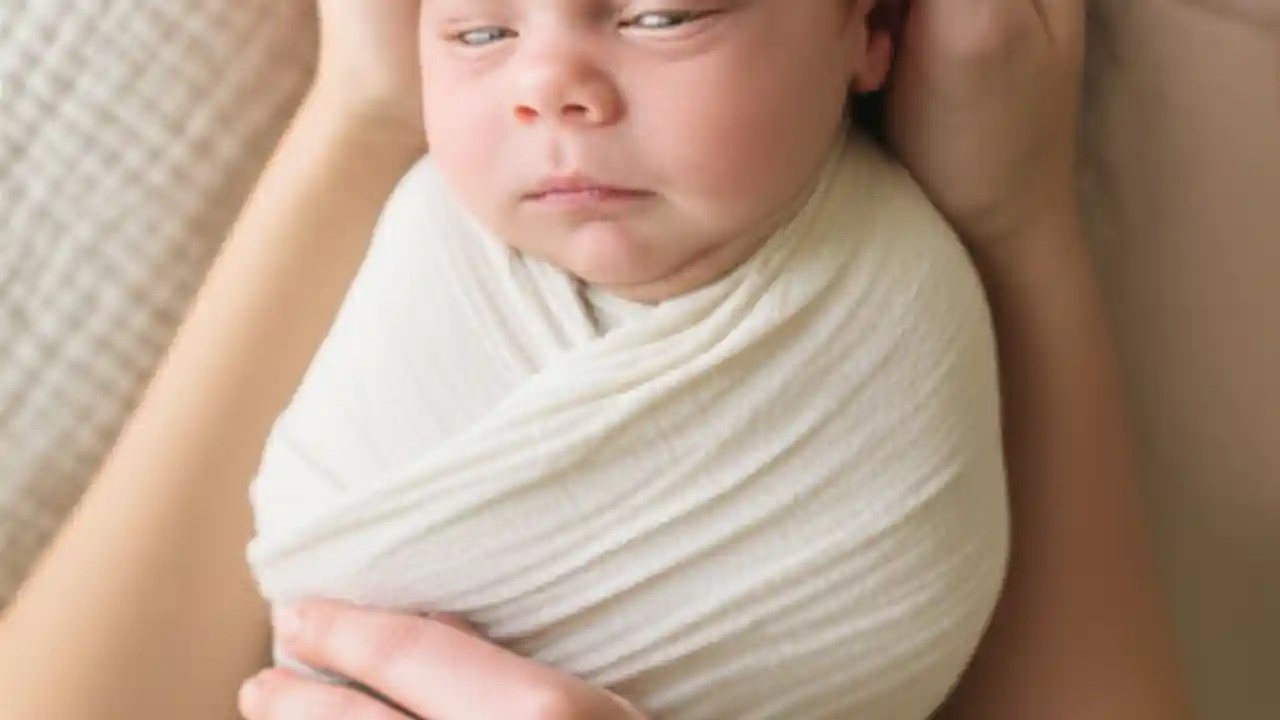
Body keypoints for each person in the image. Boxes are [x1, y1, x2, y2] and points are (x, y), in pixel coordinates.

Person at [0, 1, 1190, 719]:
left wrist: (1016, 222)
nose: (546, 88)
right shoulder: (432, 247)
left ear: (869, 28)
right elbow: (311, 573)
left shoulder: (892, 304)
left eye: (663, 15)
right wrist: (362, 113)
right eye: (479, 30)